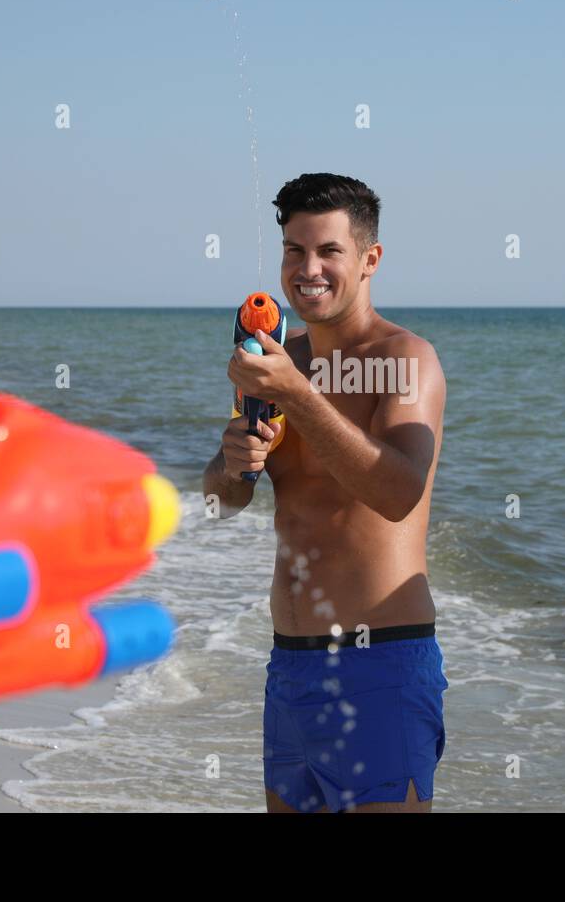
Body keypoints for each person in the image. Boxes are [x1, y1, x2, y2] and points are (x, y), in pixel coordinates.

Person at [203, 173, 448, 813]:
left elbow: (398, 490)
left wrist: (298, 395)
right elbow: (223, 501)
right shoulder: (280, 360)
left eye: (328, 251)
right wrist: (234, 463)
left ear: (370, 260)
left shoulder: (405, 358)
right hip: (289, 669)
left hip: (381, 666)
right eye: (294, 250)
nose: (308, 269)